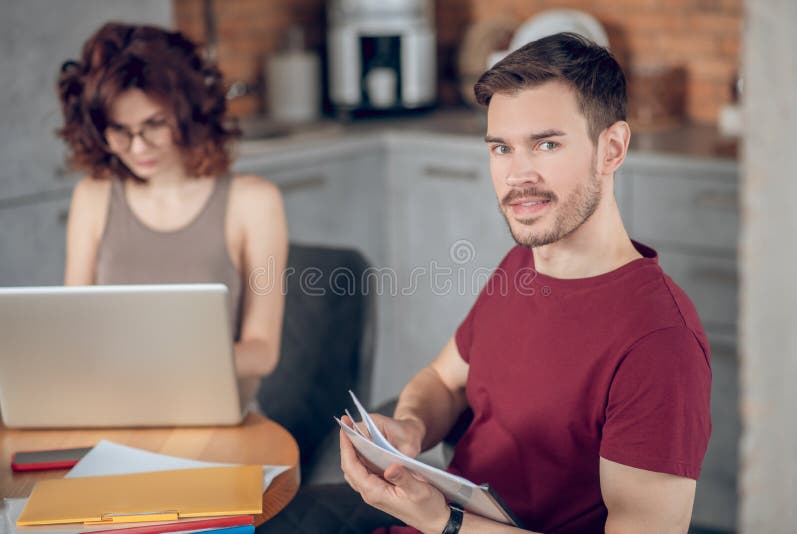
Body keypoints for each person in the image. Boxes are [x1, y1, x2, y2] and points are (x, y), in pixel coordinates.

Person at [261, 32, 711, 533]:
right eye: (501, 148)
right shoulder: (522, 264)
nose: (518, 175)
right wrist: (410, 428)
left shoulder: (659, 342)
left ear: (612, 148)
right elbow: (444, 380)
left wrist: (445, 522)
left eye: (546, 144)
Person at [58, 23, 288, 393]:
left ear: (189, 114)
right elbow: (74, 330)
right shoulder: (92, 197)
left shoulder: (254, 201)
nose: (137, 147)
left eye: (154, 125)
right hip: (114, 402)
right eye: (120, 130)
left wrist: (154, 365)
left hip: (215, 408)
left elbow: (262, 352)